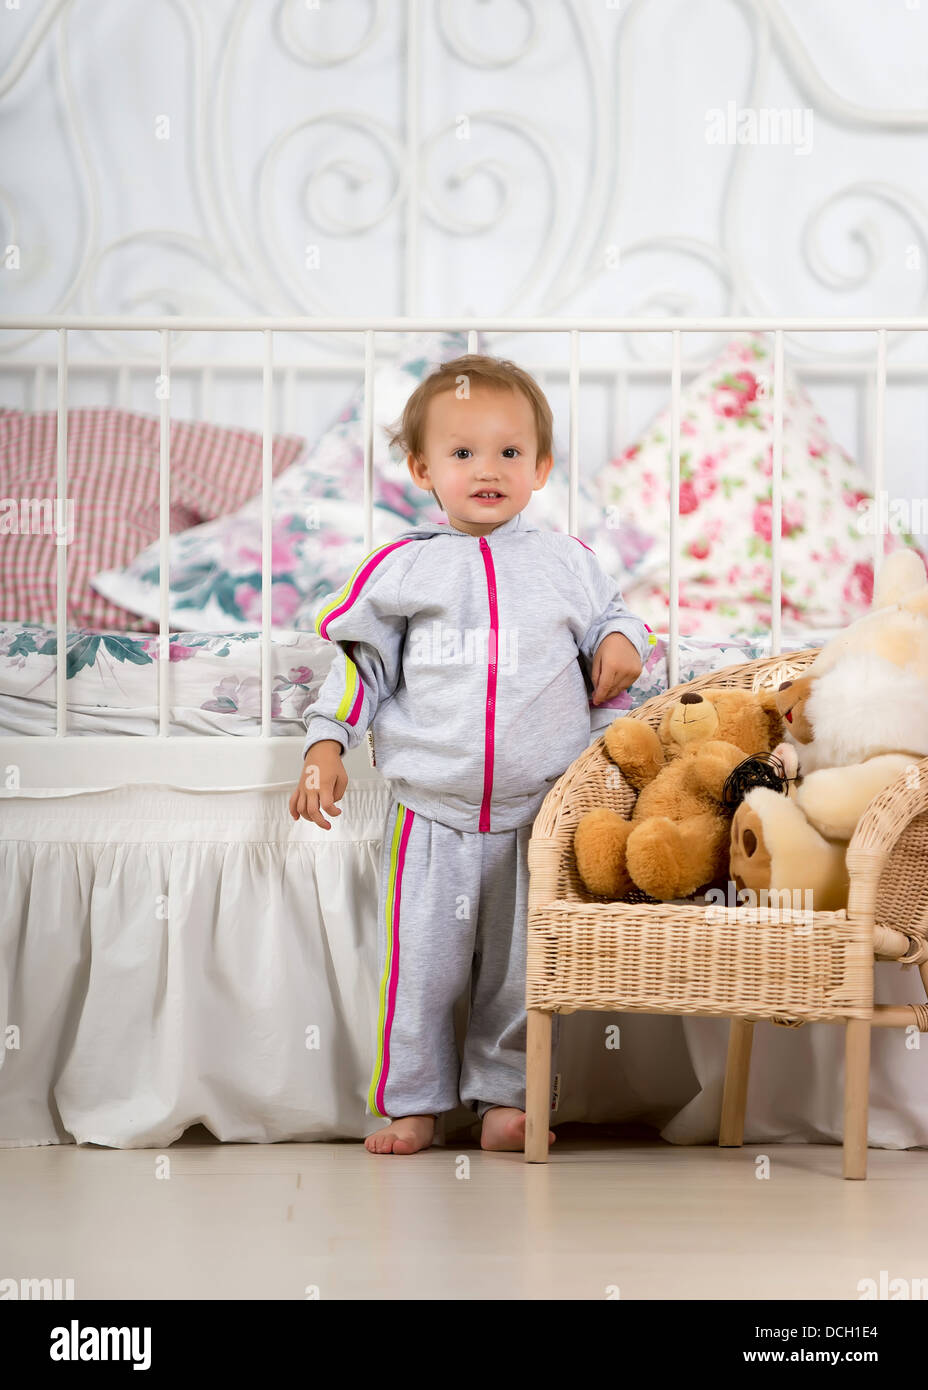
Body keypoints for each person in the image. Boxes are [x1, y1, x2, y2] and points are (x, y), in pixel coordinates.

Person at [290, 353, 652, 1154]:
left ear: (541, 467)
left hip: (541, 814)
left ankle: (506, 1098)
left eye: (509, 453)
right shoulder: (404, 569)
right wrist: (327, 743)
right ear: (422, 468)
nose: (487, 470)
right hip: (434, 813)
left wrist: (625, 640)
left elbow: (619, 621)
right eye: (462, 454)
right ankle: (411, 1098)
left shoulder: (567, 563)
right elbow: (363, 668)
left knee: (521, 974)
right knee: (420, 968)